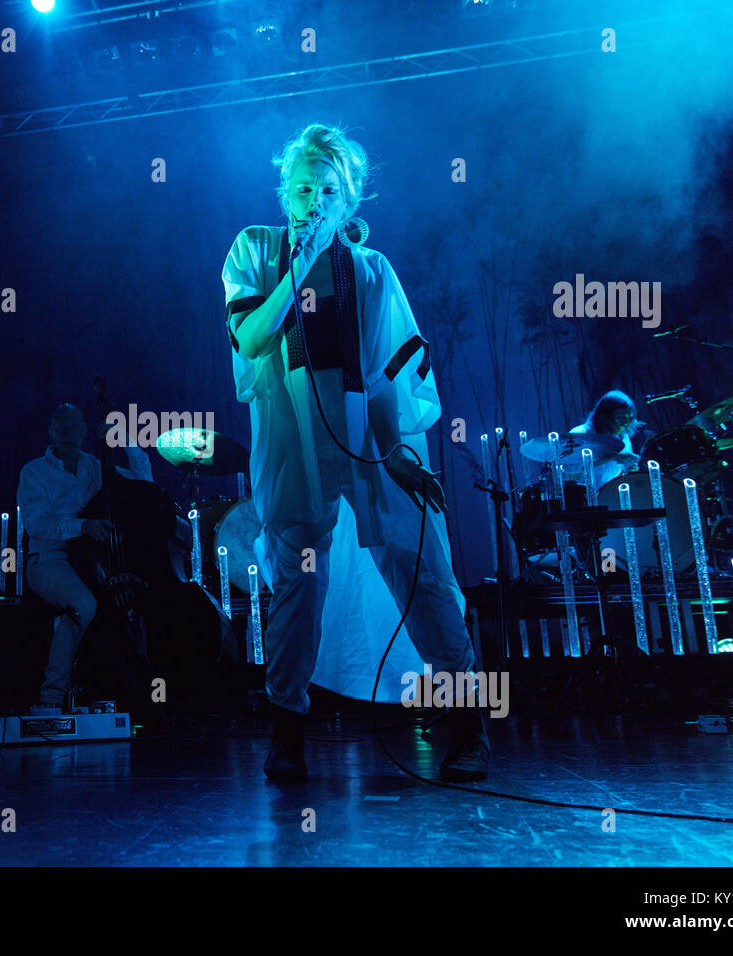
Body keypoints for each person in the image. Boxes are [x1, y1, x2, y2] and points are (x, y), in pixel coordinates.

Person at [223, 123, 488, 782]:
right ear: (286, 191)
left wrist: (395, 449)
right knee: (298, 587)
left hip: (368, 438)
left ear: (351, 201)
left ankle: (467, 726)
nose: (313, 200)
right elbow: (253, 339)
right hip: (293, 443)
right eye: (303, 187)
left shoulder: (370, 270)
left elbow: (385, 370)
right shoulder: (255, 251)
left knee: (420, 573)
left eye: (328, 191)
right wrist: (298, 267)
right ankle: (287, 733)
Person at [17, 404, 152, 714]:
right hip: (50, 558)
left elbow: (143, 482)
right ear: (50, 431)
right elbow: (36, 524)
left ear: (85, 429)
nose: (69, 435)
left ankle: (135, 693)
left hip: (95, 559)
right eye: (62, 429)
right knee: (84, 604)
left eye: (75, 428)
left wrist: (126, 438)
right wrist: (82, 526)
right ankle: (50, 697)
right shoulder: (34, 471)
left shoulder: (96, 466)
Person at [566, 390, 644, 490]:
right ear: (606, 416)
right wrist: (613, 458)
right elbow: (570, 468)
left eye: (630, 418)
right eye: (622, 417)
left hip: (610, 495)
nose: (627, 423)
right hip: (583, 497)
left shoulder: (623, 437)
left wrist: (629, 467)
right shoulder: (580, 434)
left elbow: (620, 470)